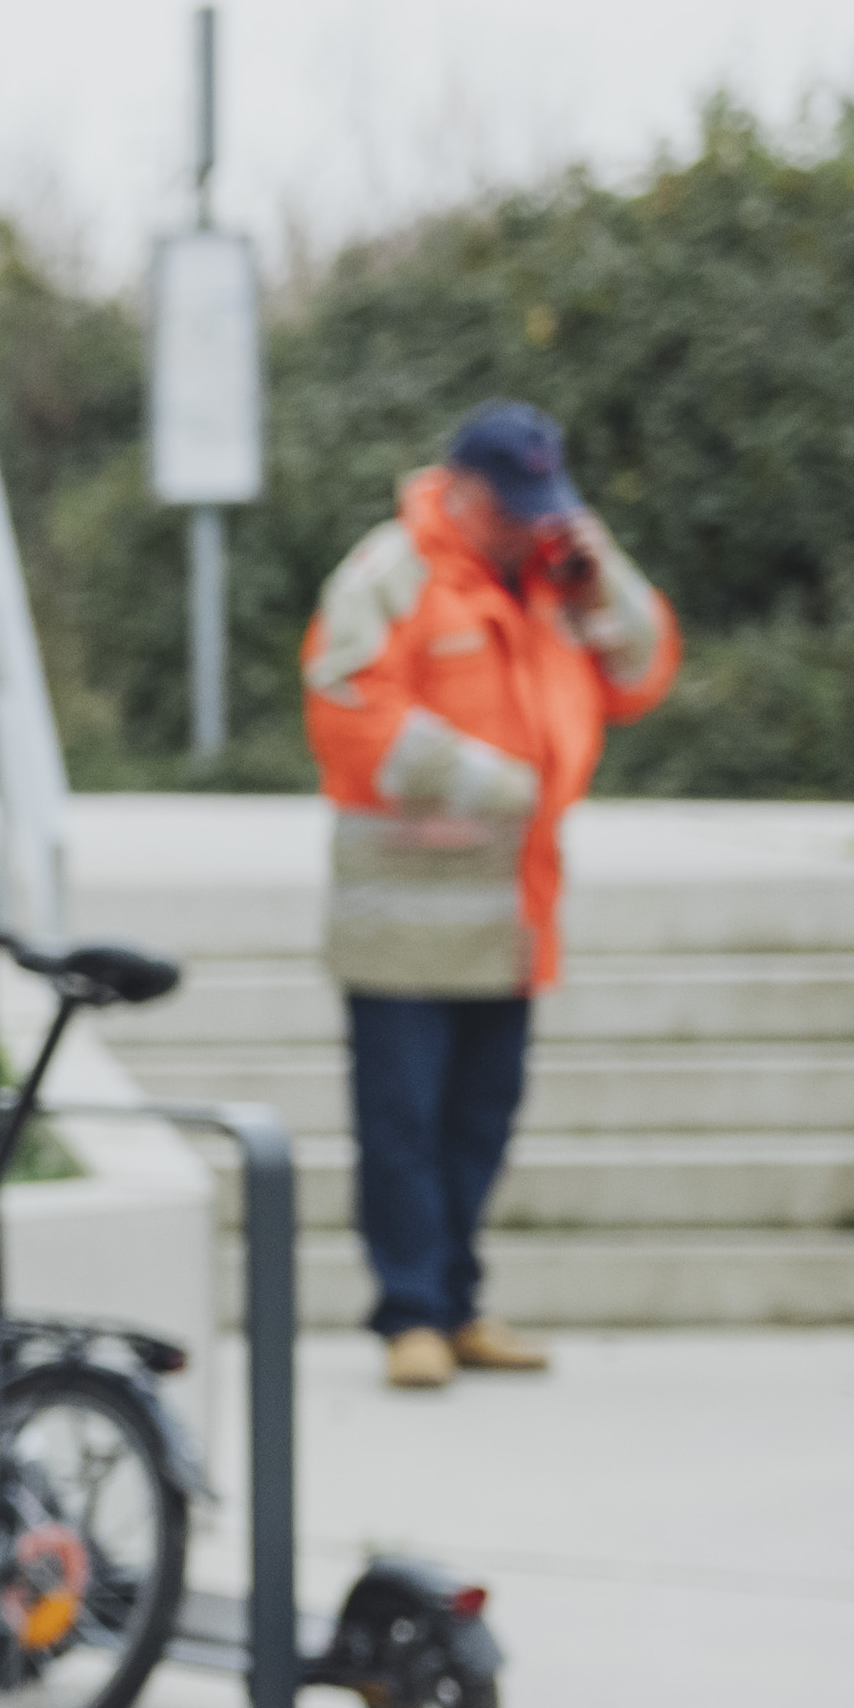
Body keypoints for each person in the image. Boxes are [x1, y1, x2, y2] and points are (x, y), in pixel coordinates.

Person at [303, 397, 680, 1390]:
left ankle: (458, 1301)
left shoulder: (551, 580)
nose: (527, 522)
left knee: (480, 1117)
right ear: (458, 489)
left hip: (510, 913)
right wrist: (498, 783)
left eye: (541, 504)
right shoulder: (390, 574)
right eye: (510, 504)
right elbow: (347, 711)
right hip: (401, 917)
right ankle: (408, 1314)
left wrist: (604, 576)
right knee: (400, 1123)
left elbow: (638, 674)